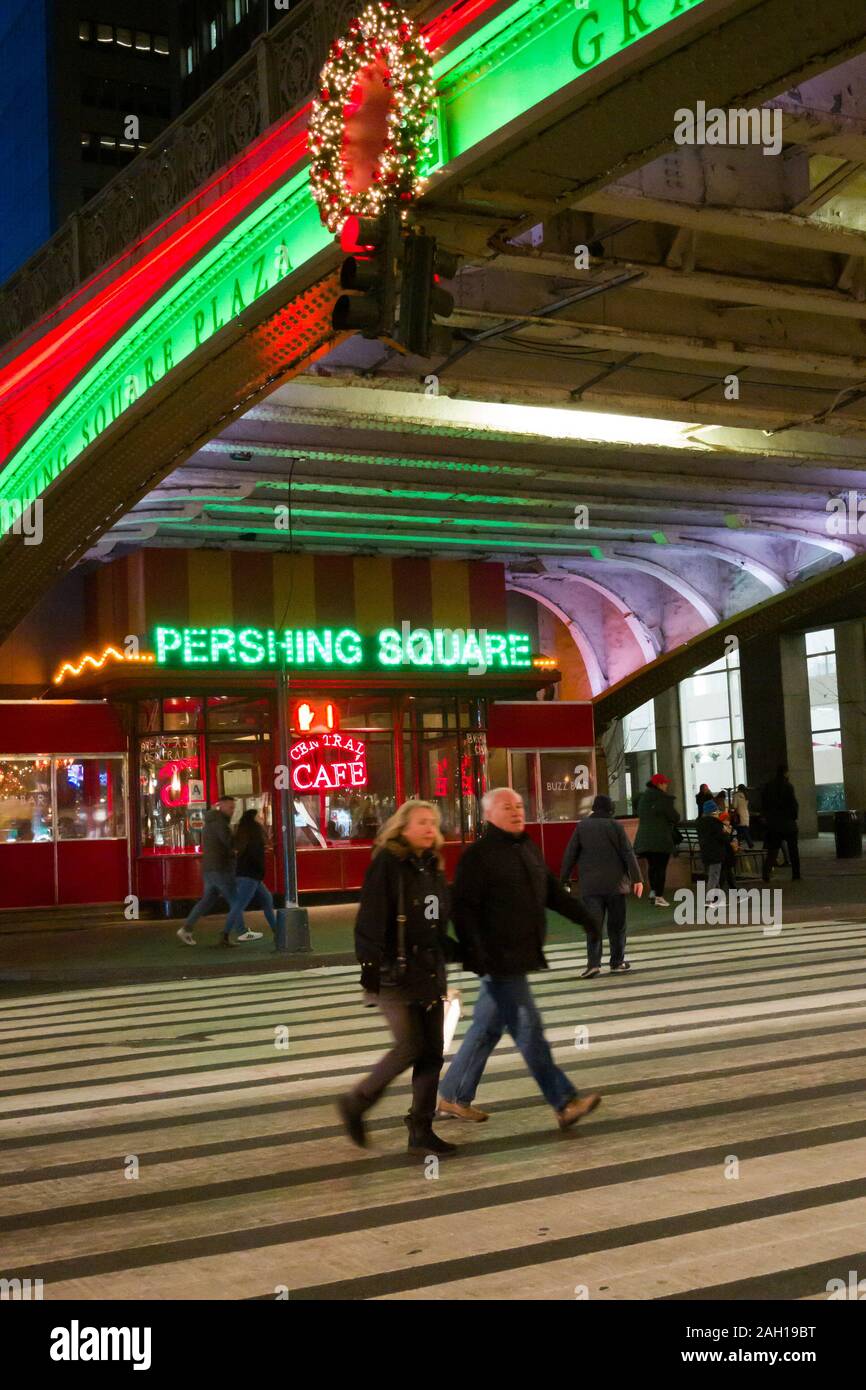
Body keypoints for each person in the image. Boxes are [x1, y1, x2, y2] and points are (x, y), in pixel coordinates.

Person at [436, 787, 602, 1128]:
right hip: (496, 961)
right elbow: (463, 910)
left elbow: (551, 892)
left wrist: (585, 919)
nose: (516, 811)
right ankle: (564, 1102)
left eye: (520, 805)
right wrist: (475, 952)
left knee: (485, 1029)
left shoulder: (525, 847)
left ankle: (451, 1096)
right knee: (530, 1031)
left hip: (517, 957)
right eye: (507, 807)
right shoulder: (479, 856)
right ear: (488, 815)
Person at [337, 800, 461, 1157]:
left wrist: (458, 951)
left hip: (429, 971)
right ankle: (356, 1103)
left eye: (433, 823)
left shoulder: (431, 867)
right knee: (410, 1046)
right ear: (402, 827)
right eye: (421, 822)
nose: (429, 829)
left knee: (432, 1052)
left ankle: (421, 1130)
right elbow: (370, 921)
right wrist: (370, 970)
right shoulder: (388, 864)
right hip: (396, 973)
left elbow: (435, 923)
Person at [560, 794, 643, 978]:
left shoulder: (582, 827)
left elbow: (570, 854)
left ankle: (593, 964)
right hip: (616, 886)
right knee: (617, 926)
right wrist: (637, 879)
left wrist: (563, 878)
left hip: (591, 887)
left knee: (593, 925)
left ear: (594, 809)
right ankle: (617, 962)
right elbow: (628, 853)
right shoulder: (616, 826)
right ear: (610, 809)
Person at [177, 795, 237, 945]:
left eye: (233, 808)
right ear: (221, 806)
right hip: (220, 867)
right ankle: (238, 932)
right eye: (230, 807)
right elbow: (229, 842)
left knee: (207, 900)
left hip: (210, 867)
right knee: (235, 901)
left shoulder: (212, 821)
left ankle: (186, 929)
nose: (232, 811)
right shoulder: (220, 822)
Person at [223, 808, 274, 945]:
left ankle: (276, 929)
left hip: (246, 874)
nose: (261, 818)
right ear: (254, 819)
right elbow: (256, 858)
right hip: (251, 876)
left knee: (266, 899)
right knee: (239, 905)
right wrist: (261, 872)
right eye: (259, 816)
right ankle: (225, 934)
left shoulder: (243, 833)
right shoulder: (255, 836)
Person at [633, 773, 681, 907]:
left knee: (652, 867)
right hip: (661, 839)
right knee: (661, 868)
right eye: (665, 783)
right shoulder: (663, 799)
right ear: (659, 784)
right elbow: (675, 817)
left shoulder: (643, 799)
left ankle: (653, 892)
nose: (666, 785)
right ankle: (659, 896)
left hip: (644, 839)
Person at [761, 765, 801, 882]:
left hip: (773, 823)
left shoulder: (768, 786)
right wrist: (793, 817)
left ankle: (766, 873)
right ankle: (796, 874)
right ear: (785, 773)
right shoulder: (788, 787)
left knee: (772, 851)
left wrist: (767, 818)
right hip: (788, 823)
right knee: (793, 850)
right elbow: (793, 805)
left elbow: (764, 804)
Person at [697, 799, 731, 891]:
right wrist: (727, 833)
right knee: (714, 876)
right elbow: (723, 838)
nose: (718, 813)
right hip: (716, 853)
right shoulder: (716, 824)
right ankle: (709, 900)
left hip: (706, 852)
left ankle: (717, 898)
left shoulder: (700, 823)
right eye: (716, 811)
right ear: (713, 812)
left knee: (713, 875)